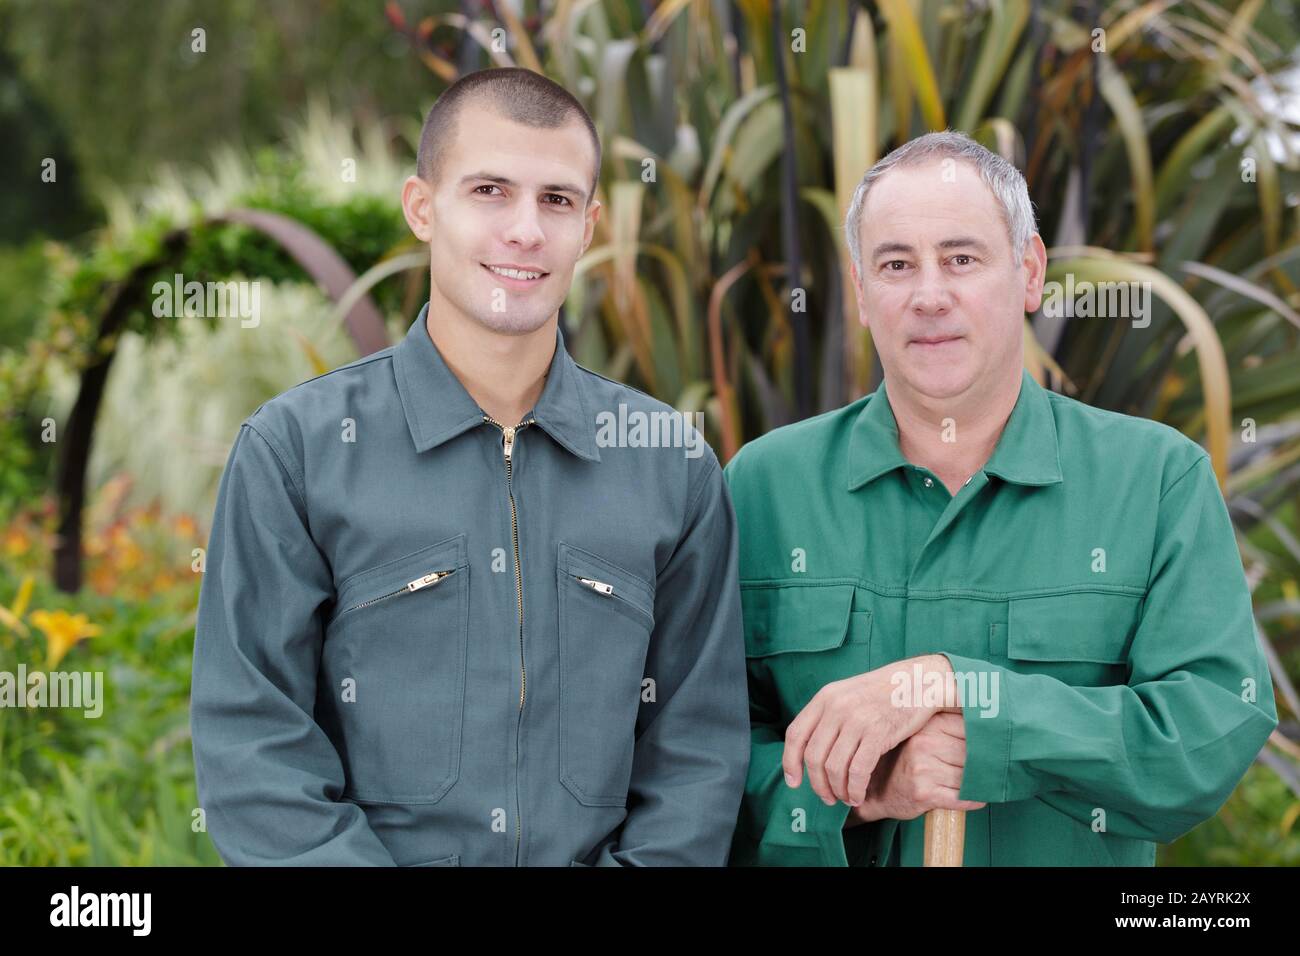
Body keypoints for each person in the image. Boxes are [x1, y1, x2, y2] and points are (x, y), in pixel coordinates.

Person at [191, 67, 749, 866]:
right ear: (424, 208)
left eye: (556, 200)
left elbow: (698, 751)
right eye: (490, 190)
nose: (525, 231)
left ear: (589, 226)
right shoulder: (296, 453)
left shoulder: (670, 466)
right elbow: (254, 746)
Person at [725, 129, 1278, 866]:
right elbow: (693, 765)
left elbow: (1210, 733)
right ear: (860, 293)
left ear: (1029, 272)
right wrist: (866, 791)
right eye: (896, 264)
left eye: (961, 259)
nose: (929, 296)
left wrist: (967, 698)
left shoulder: (1155, 480)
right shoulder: (762, 486)